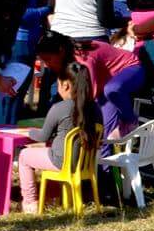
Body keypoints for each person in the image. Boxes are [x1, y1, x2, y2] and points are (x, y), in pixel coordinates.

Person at [17, 60, 101, 213]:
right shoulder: (94, 107)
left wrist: (28, 132)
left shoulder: (59, 108)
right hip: (85, 162)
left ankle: (30, 202)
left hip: (61, 161)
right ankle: (55, 197)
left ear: (65, 85)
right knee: (49, 148)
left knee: (24, 156)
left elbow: (42, 136)